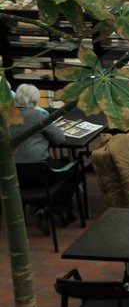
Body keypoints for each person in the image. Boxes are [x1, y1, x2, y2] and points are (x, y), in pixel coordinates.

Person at [10, 84, 76, 234]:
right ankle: (54, 207)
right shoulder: (36, 116)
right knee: (72, 170)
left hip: (15, 174)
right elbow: (60, 139)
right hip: (41, 170)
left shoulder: (6, 117)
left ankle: (43, 206)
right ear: (35, 99)